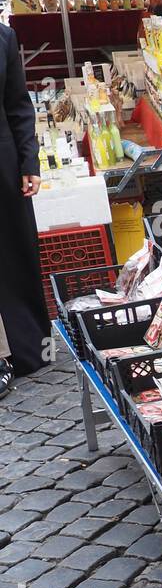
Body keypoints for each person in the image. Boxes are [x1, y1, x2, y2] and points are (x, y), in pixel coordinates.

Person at [0, 22, 47, 393]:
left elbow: (18, 105)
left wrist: (29, 162)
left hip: (5, 168)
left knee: (16, 256)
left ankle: (29, 349)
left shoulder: (3, 37)